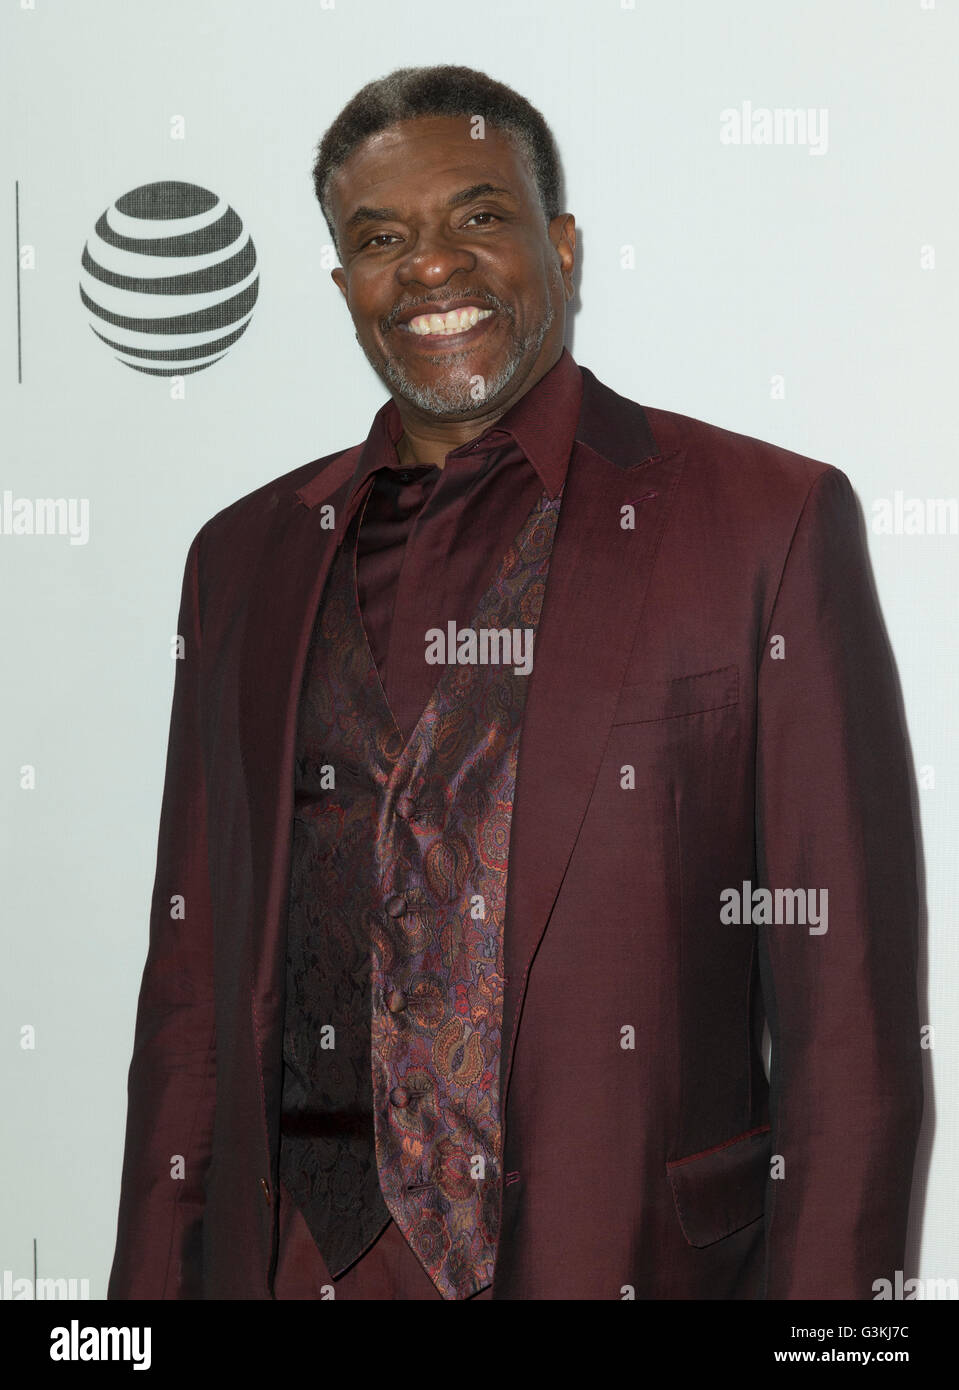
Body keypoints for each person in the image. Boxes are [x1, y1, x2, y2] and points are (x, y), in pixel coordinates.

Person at [108, 64, 923, 1301]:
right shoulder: (241, 558)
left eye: (477, 215)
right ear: (344, 284)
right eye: (380, 239)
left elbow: (848, 1023)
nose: (430, 266)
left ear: (562, 245)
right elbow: (190, 1000)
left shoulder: (765, 521)